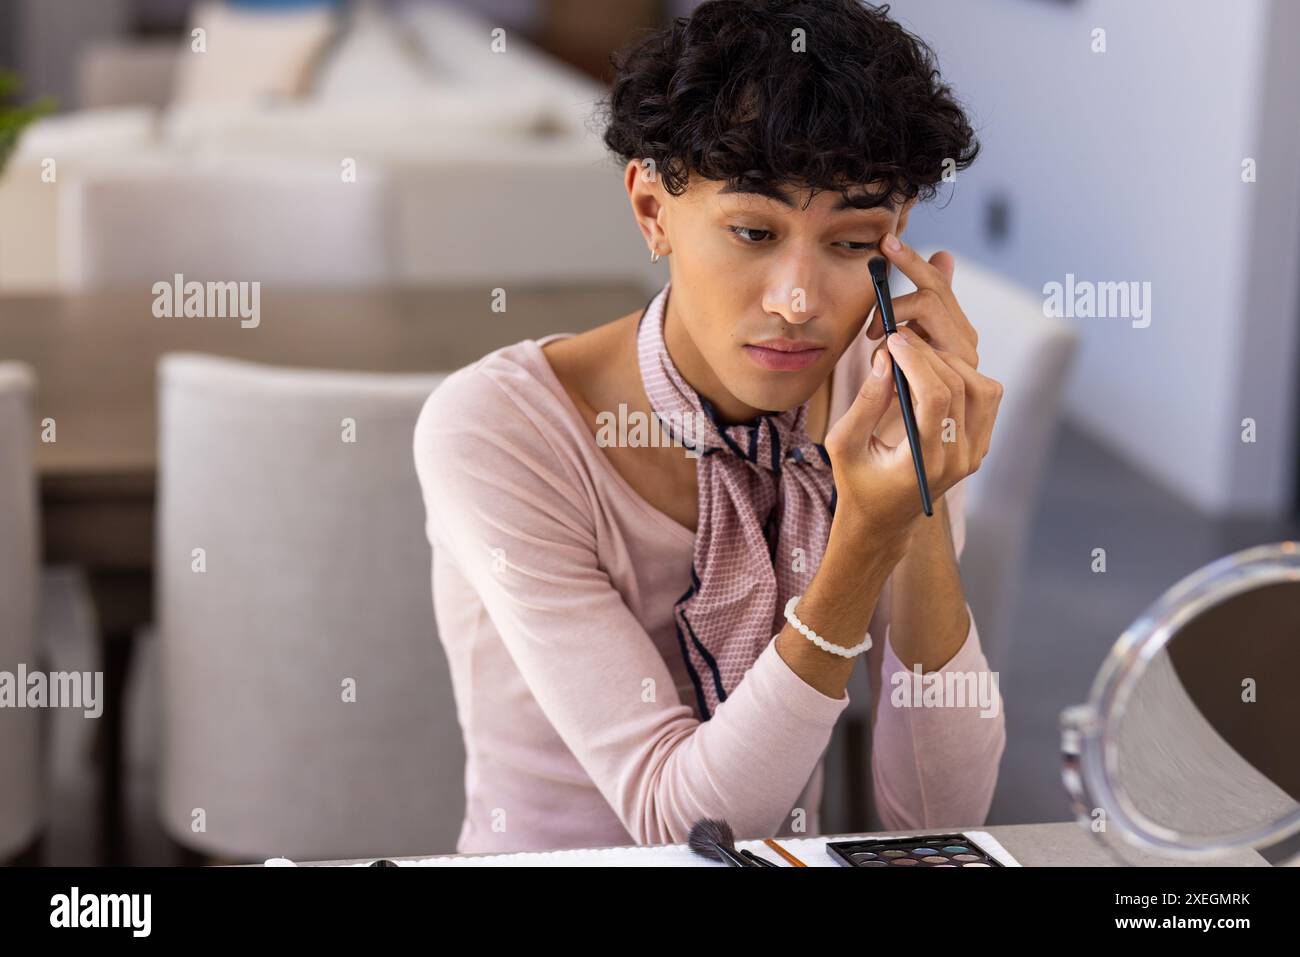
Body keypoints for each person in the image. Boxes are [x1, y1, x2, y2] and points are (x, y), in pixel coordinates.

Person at [414, 0, 1006, 854]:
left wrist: (917, 505)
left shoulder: (882, 393)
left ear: (895, 241)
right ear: (653, 210)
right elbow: (679, 828)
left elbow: (939, 815)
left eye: (849, 244)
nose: (798, 302)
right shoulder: (501, 429)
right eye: (754, 231)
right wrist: (860, 545)